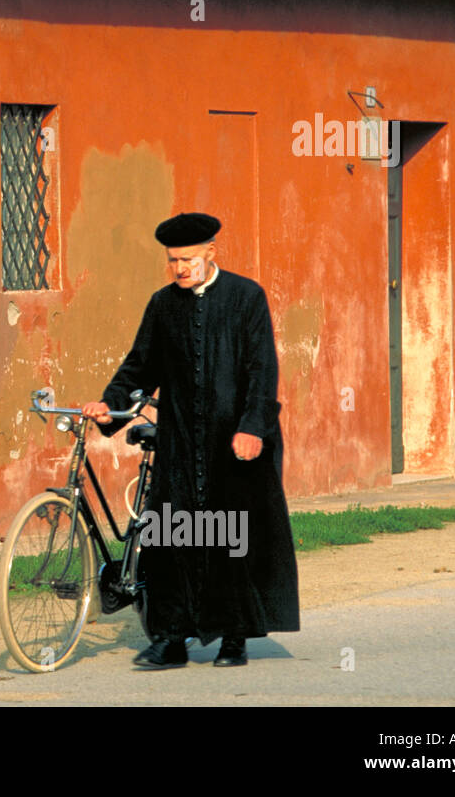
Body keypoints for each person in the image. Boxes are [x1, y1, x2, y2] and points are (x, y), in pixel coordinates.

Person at [82, 212, 299, 669]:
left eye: (187, 259)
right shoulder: (163, 305)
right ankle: (172, 638)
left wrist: (252, 427)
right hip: (180, 441)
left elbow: (263, 369)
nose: (179, 268)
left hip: (234, 442)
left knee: (231, 537)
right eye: (172, 261)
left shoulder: (245, 298)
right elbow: (139, 367)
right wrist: (109, 404)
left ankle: (234, 637)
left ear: (211, 253)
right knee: (170, 535)